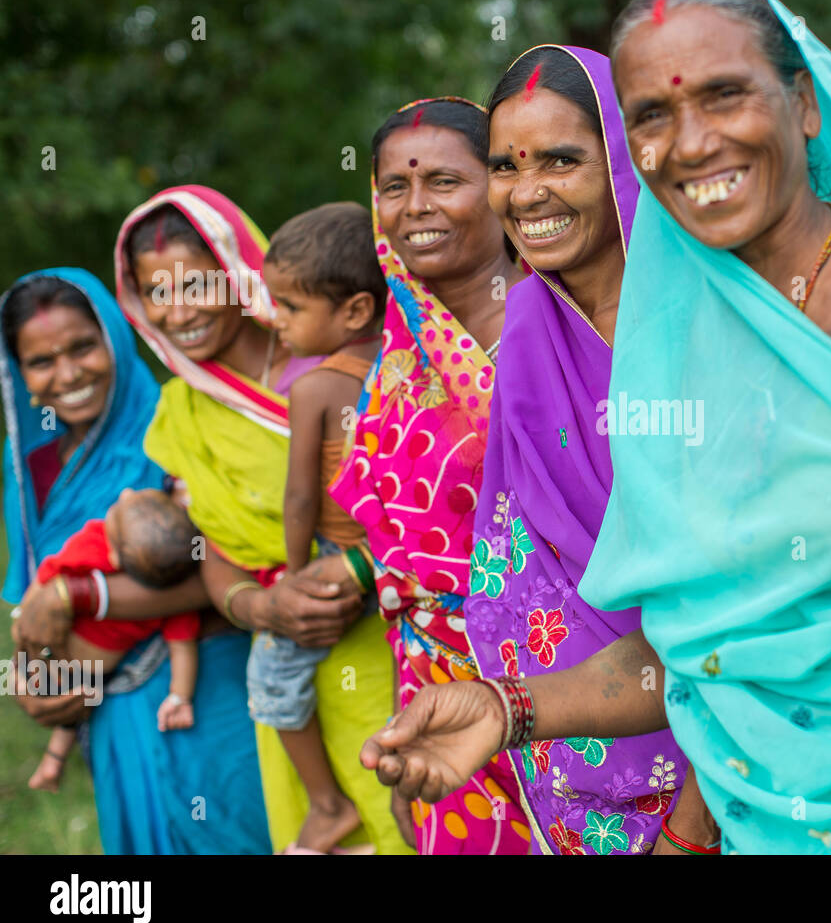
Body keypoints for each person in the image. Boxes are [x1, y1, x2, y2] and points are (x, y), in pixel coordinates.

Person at [361, 0, 831, 855]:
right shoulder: (673, 343)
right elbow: (695, 646)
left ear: (807, 103)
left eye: (723, 95)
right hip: (757, 817)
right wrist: (507, 707)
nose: (693, 140)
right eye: (653, 114)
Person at [114, 185, 408, 855]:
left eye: (196, 283)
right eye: (157, 292)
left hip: (389, 642)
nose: (178, 310)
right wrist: (261, 603)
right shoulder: (178, 416)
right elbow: (206, 548)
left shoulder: (347, 361)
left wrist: (353, 572)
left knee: (410, 813)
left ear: (236, 271)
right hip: (286, 677)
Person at [457, 44, 691, 855]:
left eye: (561, 160)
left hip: (738, 755)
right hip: (578, 758)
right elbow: (528, 560)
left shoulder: (704, 319)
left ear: (624, 159)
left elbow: (745, 607)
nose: (528, 194)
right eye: (505, 168)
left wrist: (693, 827)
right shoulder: (522, 335)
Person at [4, 267, 271, 854]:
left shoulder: (177, 425)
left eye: (83, 347)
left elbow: (226, 571)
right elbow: (29, 597)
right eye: (42, 361)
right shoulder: (30, 464)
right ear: (19, 375)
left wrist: (77, 597)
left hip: (205, 689)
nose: (68, 374)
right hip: (112, 714)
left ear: (117, 342)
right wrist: (33, 682)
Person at [329, 98, 533, 854]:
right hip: (433, 697)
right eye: (393, 187)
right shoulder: (398, 353)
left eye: (445, 181)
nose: (415, 207)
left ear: (501, 183)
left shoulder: (556, 333)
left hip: (567, 694)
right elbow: (400, 565)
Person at [222, 201, 383, 853]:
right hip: (399, 559)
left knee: (270, 675)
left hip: (339, 556)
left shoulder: (315, 389)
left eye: (289, 307)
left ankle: (326, 806)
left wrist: (295, 574)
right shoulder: (408, 370)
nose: (276, 322)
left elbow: (298, 498)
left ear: (353, 312)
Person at [27, 488, 203, 792]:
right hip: (99, 671)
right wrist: (180, 698)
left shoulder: (94, 542)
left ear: (114, 555)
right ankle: (53, 762)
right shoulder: (171, 588)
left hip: (58, 652)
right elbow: (183, 647)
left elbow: (48, 577)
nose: (125, 491)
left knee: (67, 710)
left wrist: (27, 619)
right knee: (77, 710)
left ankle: (52, 762)